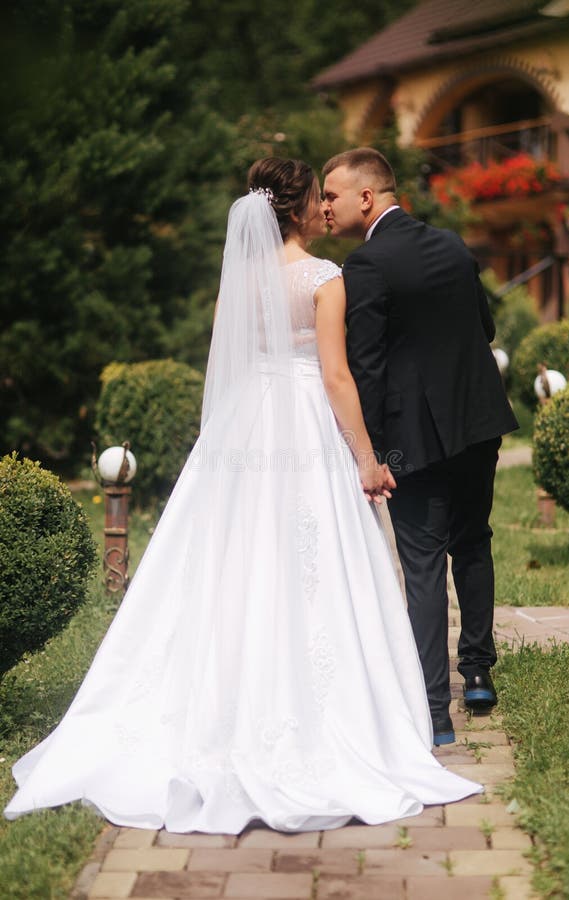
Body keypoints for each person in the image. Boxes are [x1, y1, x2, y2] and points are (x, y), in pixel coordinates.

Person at [5, 158, 482, 834]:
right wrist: (369, 460)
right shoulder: (326, 278)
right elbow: (338, 378)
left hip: (246, 426)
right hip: (306, 425)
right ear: (298, 209)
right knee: (313, 566)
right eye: (318, 198)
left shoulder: (241, 278)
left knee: (237, 559)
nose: (325, 208)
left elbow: (224, 365)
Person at [322, 148, 518, 745]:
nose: (324, 207)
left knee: (424, 562)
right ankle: (477, 672)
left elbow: (367, 366)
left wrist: (372, 452)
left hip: (414, 438)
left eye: (331, 195)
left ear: (366, 197)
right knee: (474, 540)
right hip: (478, 420)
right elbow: (483, 329)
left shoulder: (366, 263)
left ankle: (435, 711)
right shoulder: (453, 244)